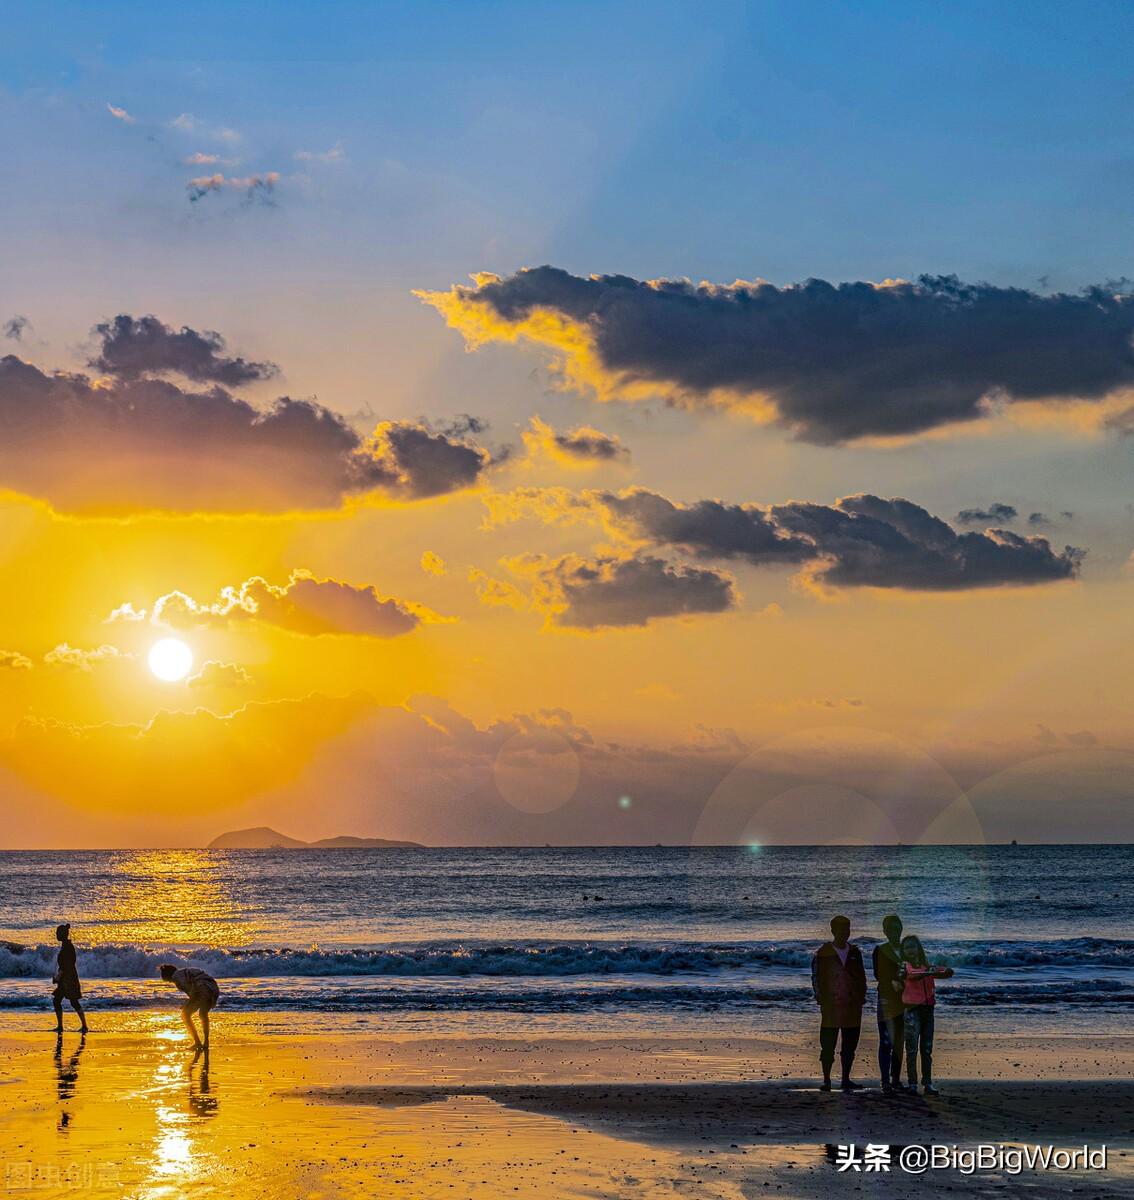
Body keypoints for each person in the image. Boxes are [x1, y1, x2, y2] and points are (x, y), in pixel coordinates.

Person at [810, 915, 867, 1091]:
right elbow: (816, 976)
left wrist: (861, 996)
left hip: (852, 1005)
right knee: (828, 1044)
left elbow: (861, 976)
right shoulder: (823, 952)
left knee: (850, 1045)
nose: (844, 932)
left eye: (846, 929)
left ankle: (845, 1079)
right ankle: (826, 1080)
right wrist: (820, 997)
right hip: (831, 1005)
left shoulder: (855, 952)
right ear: (833, 931)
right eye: (840, 929)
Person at [899, 934, 954, 1095]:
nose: (910, 950)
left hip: (928, 1010)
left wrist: (945, 971)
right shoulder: (904, 965)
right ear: (903, 951)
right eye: (907, 947)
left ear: (919, 948)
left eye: (913, 946)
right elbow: (912, 975)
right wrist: (929, 972)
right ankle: (912, 1083)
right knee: (911, 1049)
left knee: (927, 1048)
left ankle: (927, 1083)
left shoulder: (926, 966)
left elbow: (944, 972)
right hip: (912, 1010)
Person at [872, 914, 906, 1094]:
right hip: (886, 999)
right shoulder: (880, 950)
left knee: (899, 1042)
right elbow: (878, 975)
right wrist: (895, 980)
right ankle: (885, 1081)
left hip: (905, 1000)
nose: (894, 932)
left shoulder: (907, 949)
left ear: (901, 928)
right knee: (886, 1041)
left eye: (897, 928)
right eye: (890, 929)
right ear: (885, 931)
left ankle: (896, 1080)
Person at [160, 964, 220, 1049]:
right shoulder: (185, 971)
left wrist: (187, 1003)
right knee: (203, 1014)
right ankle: (206, 1042)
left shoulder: (176, 976)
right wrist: (189, 1002)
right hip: (213, 987)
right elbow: (193, 990)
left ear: (168, 975)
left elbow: (193, 991)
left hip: (201, 988)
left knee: (185, 1015)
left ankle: (197, 1042)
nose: (170, 982)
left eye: (168, 980)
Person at [51, 924, 88, 1035]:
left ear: (63, 934)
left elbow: (66, 966)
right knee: (58, 1000)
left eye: (58, 933)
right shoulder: (66, 946)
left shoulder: (67, 947)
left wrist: (58, 977)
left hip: (69, 979)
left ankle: (84, 1026)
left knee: (73, 1002)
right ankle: (61, 1026)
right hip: (67, 978)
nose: (56, 935)